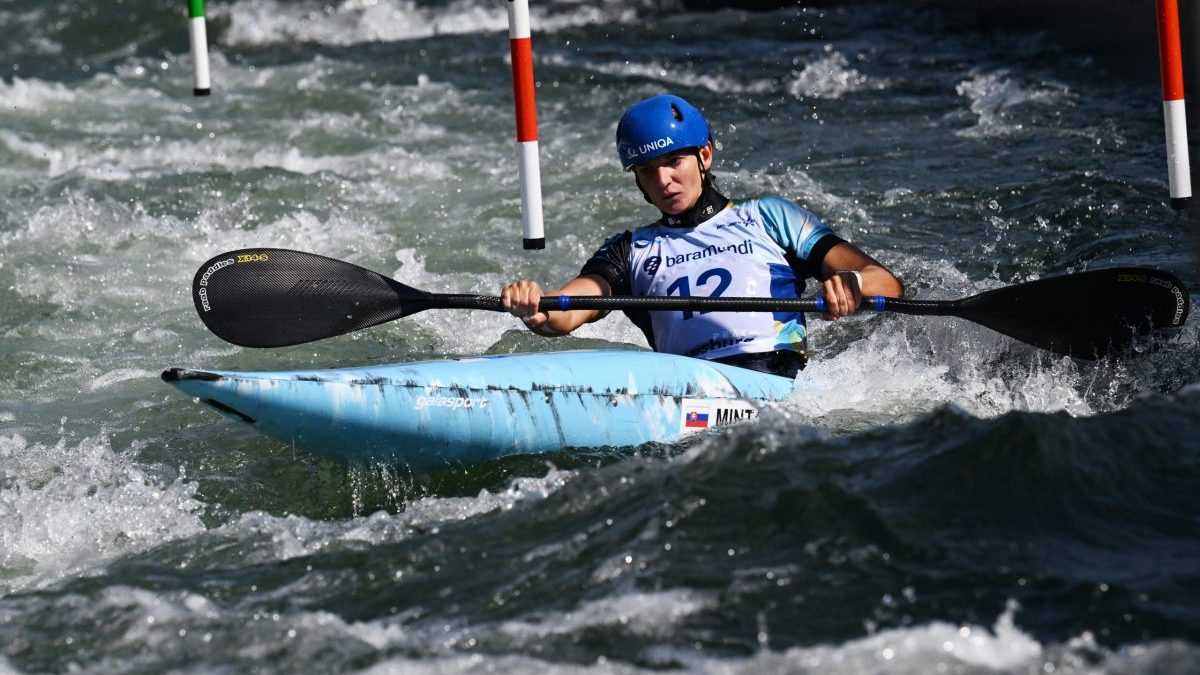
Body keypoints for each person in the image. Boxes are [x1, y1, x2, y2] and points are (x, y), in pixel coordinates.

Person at [501, 94, 903, 378]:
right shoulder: (631, 249)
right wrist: (539, 309)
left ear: (705, 155)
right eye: (646, 169)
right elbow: (571, 307)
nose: (663, 180)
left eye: (674, 161)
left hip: (779, 380)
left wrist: (852, 284)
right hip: (688, 390)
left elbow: (887, 283)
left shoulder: (769, 217)